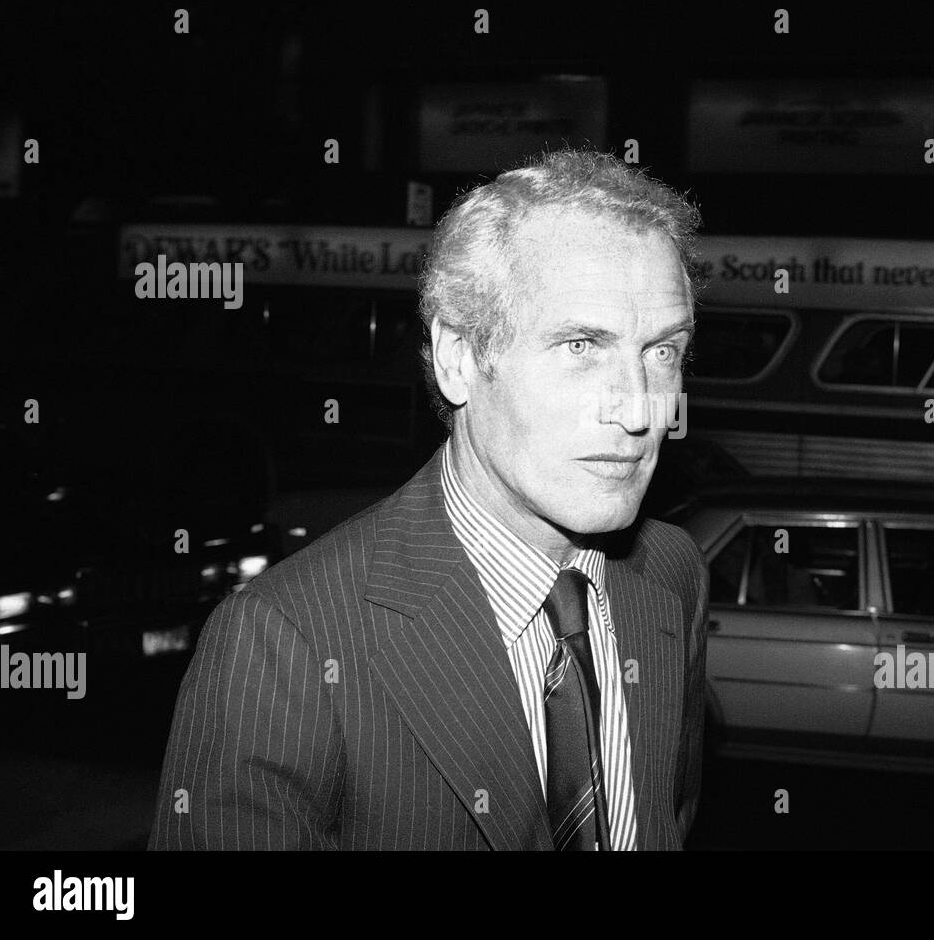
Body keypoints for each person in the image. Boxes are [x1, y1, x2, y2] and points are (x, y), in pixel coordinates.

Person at [147, 148, 710, 850]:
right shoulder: (281, 641)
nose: (639, 408)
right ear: (458, 357)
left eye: (663, 351)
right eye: (580, 345)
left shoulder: (672, 573)